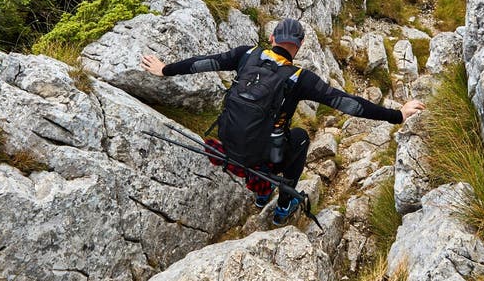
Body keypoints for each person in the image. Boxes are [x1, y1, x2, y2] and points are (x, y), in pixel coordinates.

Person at [142, 17, 425, 226]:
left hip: (228, 143)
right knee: (299, 136)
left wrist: (164, 69)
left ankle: (260, 194)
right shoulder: (300, 77)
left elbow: (204, 62)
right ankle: (284, 203)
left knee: (258, 132)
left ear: (273, 38)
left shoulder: (246, 55)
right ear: (298, 47)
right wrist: (397, 115)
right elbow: (348, 103)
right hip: (264, 155)